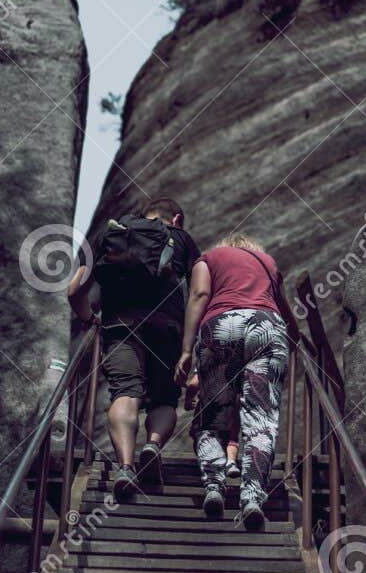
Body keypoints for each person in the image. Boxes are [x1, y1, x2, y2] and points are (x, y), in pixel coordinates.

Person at [68, 197, 199, 501]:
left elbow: (74, 289)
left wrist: (91, 319)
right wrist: (190, 346)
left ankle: (126, 466)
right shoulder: (181, 239)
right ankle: (152, 445)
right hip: (166, 329)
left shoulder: (112, 234)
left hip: (119, 326)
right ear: (176, 219)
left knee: (125, 391)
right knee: (164, 398)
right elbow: (199, 292)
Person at [176, 232, 293, 531]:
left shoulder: (210, 258)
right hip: (267, 326)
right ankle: (252, 497)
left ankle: (214, 486)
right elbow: (285, 307)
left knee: (212, 415)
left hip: (221, 326)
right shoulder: (268, 262)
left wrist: (187, 350)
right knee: (261, 418)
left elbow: (199, 295)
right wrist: (294, 338)